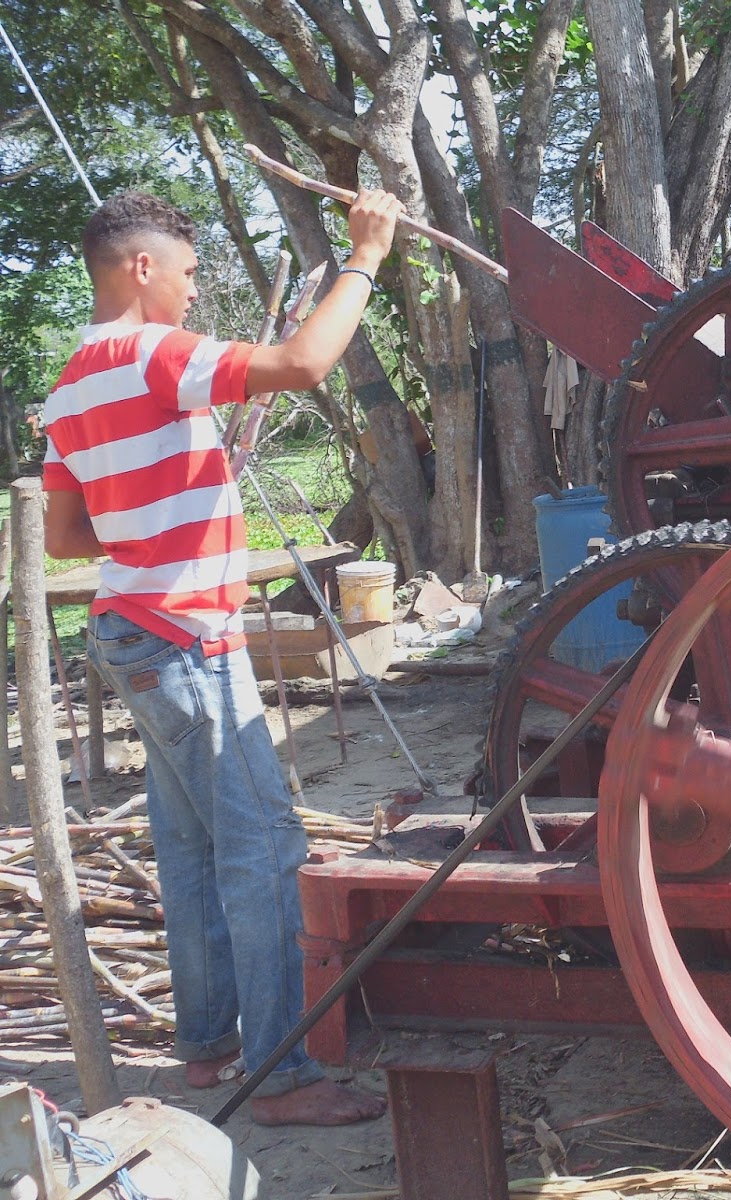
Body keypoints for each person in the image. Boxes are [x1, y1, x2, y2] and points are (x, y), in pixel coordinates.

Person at [41, 189, 400, 1125]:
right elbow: (304, 361)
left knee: (193, 848)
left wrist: (163, 497)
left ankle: (208, 1049)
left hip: (130, 630)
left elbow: (69, 536)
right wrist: (366, 253)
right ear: (141, 267)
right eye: (191, 274)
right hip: (188, 635)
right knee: (266, 844)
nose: (196, 293)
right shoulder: (151, 352)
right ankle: (282, 1076)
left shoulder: (72, 381)